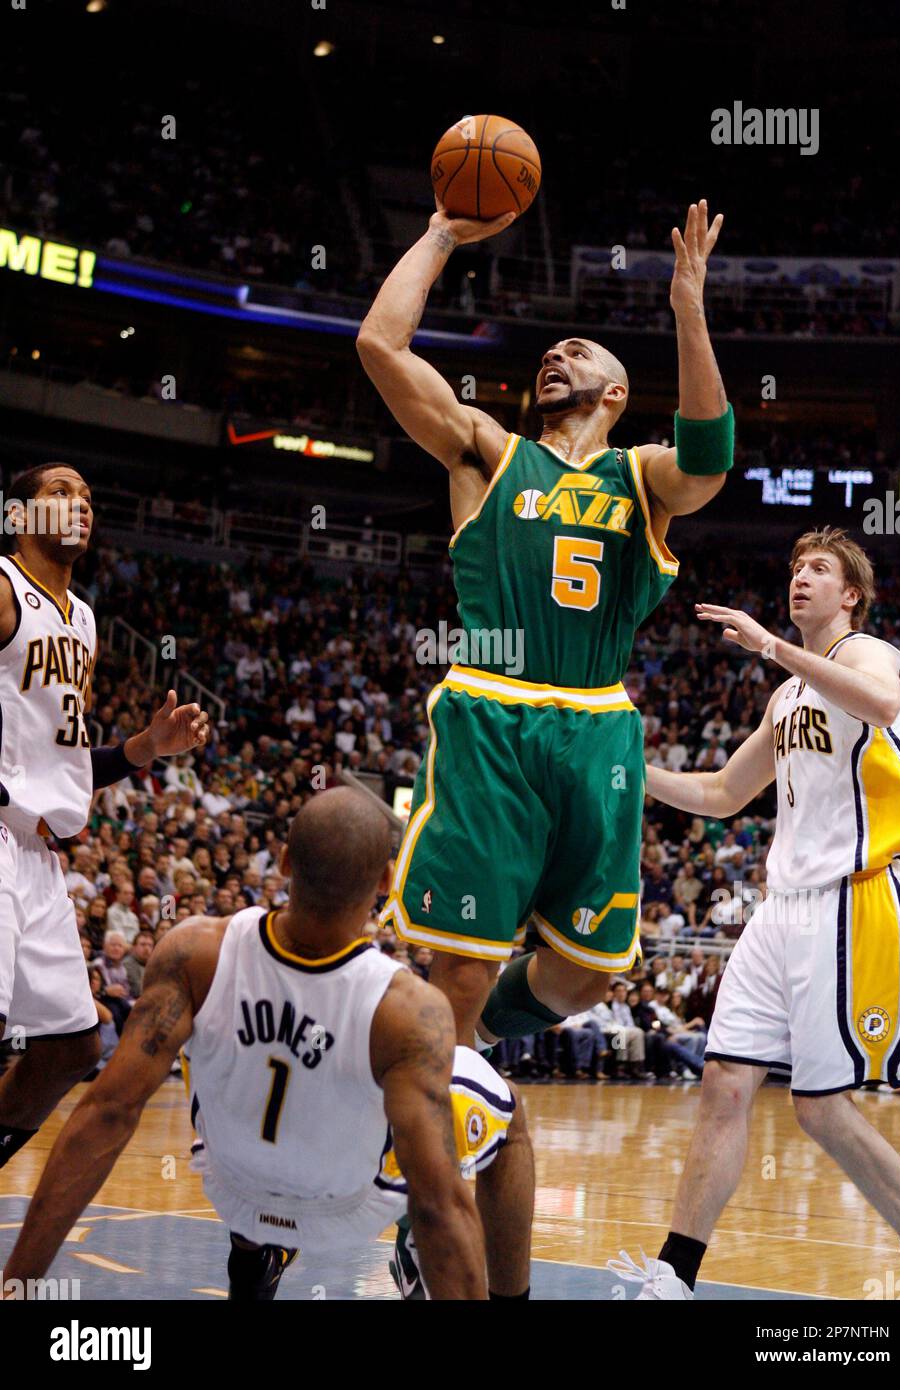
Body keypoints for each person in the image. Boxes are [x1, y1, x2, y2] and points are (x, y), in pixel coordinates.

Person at [358, 198, 733, 1054]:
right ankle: (421, 1138)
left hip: (599, 725)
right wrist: (442, 235)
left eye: (578, 351)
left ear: (616, 392)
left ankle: (466, 1047)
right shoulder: (487, 451)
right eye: (550, 352)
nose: (556, 355)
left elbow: (710, 458)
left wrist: (688, 309)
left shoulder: (639, 476)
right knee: (459, 962)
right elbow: (381, 349)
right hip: (495, 711)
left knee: (588, 973)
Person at [3, 790, 534, 1302]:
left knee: (225, 1064)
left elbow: (106, 1113)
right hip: (349, 1206)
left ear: (283, 861)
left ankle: (257, 1250)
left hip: (234, 1190)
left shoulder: (194, 953)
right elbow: (441, 1206)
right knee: (508, 1122)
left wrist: (17, 1283)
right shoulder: (406, 1009)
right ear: (386, 882)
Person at [613, 527, 900, 1300]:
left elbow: (882, 702)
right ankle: (674, 1273)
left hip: (849, 900)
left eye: (819, 570)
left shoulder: (870, 656)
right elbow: (723, 794)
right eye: (795, 568)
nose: (801, 578)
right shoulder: (787, 695)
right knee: (725, 1082)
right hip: (779, 909)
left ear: (849, 595)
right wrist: (628, 764)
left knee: (820, 1112)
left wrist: (768, 645)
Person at [0, 463, 210, 1177]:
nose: (80, 504)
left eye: (88, 496)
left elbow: (62, 758)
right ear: (19, 516)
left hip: (41, 855)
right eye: (60, 493)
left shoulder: (83, 620)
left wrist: (148, 748)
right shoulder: (2, 588)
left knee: (73, 1046)